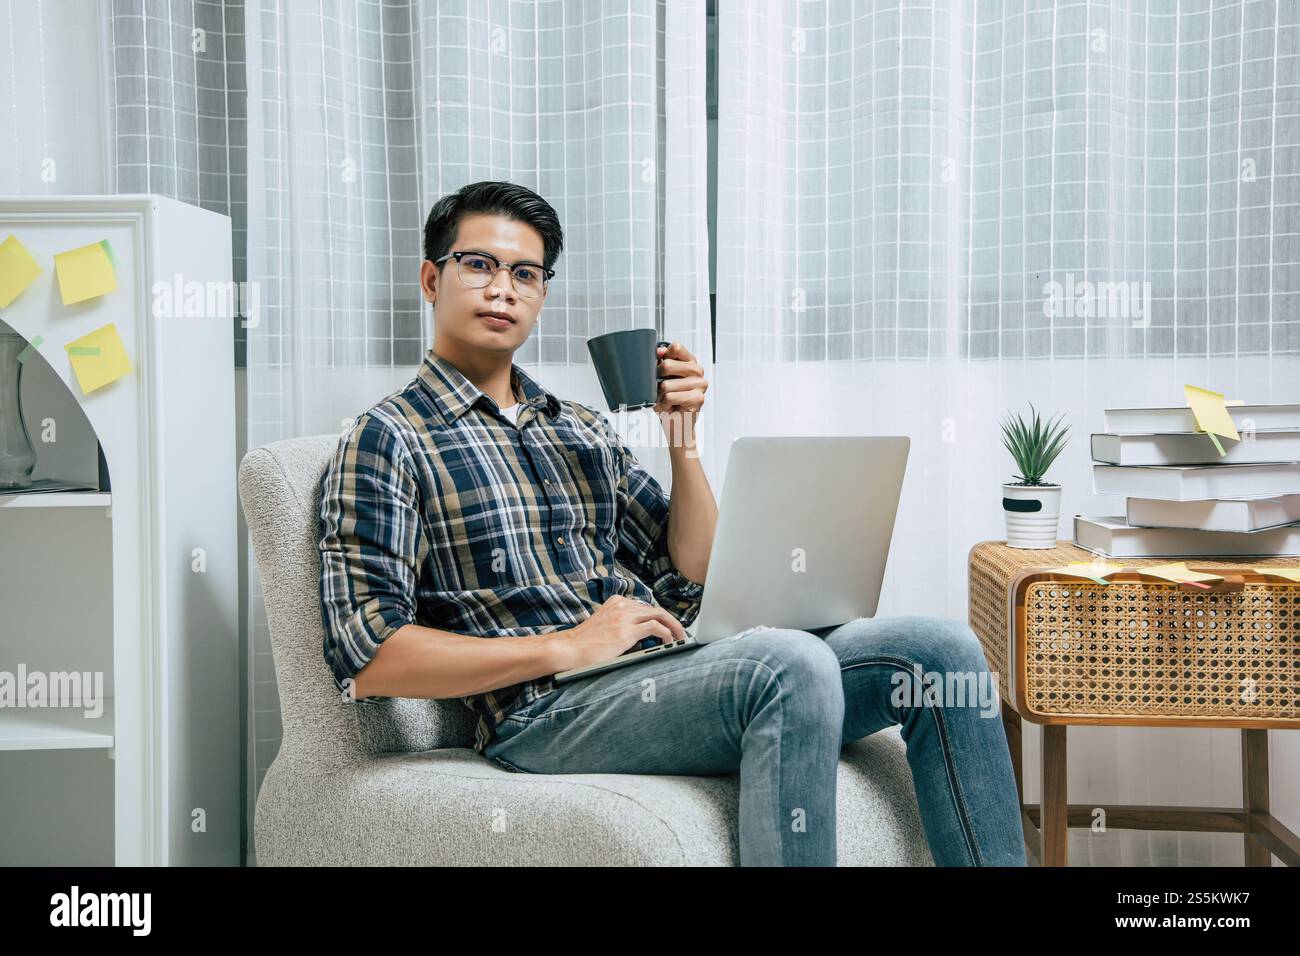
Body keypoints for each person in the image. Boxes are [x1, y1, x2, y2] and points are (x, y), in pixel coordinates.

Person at [317, 180, 1027, 867]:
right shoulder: (387, 438)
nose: (503, 287)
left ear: (542, 295)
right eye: (479, 264)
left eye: (526, 273)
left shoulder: (583, 430)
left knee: (940, 650)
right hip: (543, 714)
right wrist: (566, 646)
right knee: (790, 662)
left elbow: (694, 568)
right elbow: (372, 656)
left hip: (660, 670)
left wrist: (682, 439)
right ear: (431, 279)